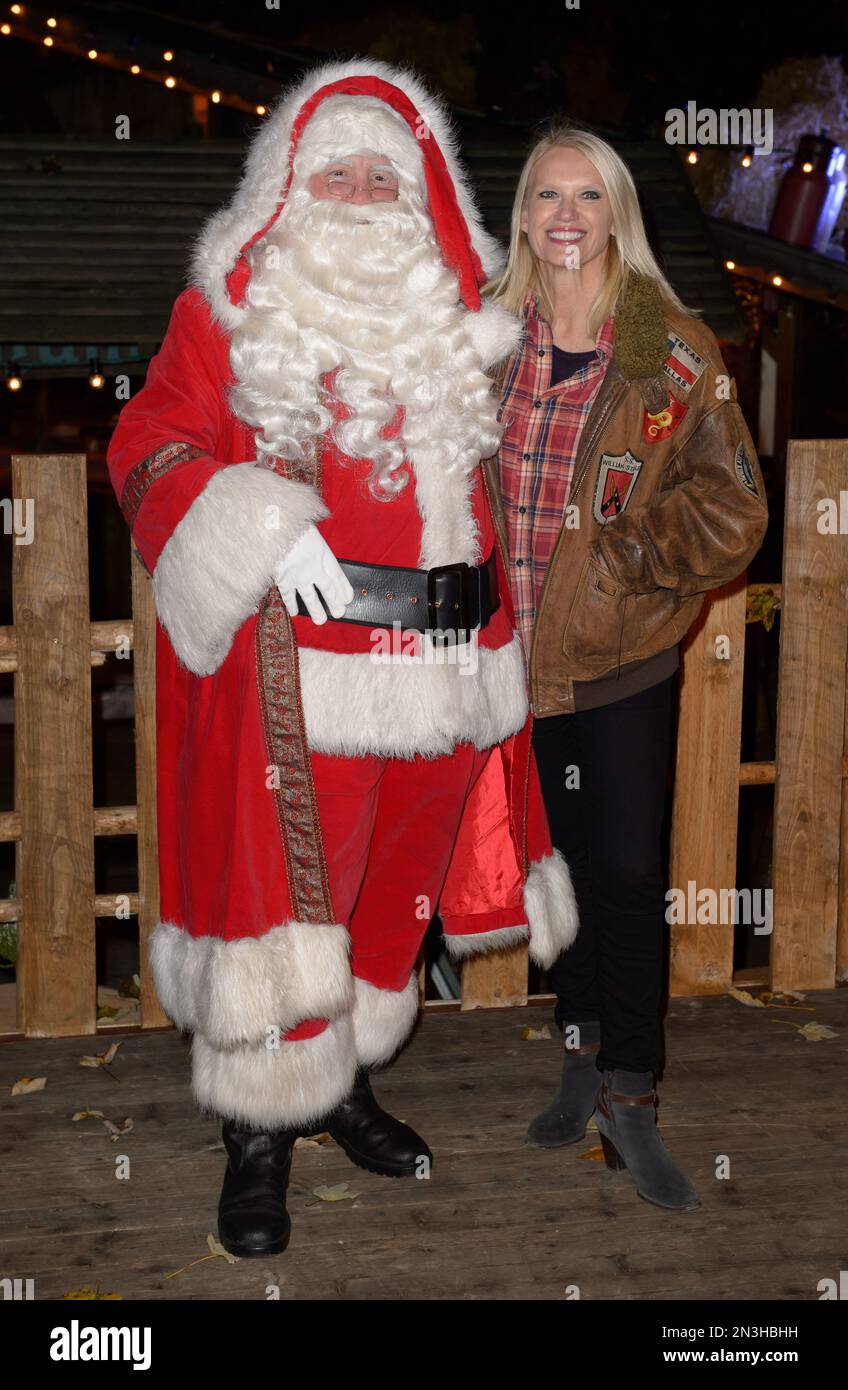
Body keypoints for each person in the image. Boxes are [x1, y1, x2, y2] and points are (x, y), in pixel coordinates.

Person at [106, 61, 579, 1258]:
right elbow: (147, 443)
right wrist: (258, 517)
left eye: (387, 173)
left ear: (422, 194)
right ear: (289, 191)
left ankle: (347, 1086)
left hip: (438, 671)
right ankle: (260, 1132)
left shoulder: (457, 326)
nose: (365, 194)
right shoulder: (224, 316)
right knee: (281, 904)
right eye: (339, 174)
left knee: (390, 897)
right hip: (293, 679)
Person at [482, 125, 768, 1211]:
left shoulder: (671, 349)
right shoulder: (483, 340)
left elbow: (736, 507)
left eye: (587, 197)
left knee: (627, 877)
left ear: (615, 215)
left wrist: (619, 560)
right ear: (523, 214)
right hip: (508, 663)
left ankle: (632, 1096)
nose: (565, 215)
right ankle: (578, 1053)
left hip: (620, 663)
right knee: (552, 880)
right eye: (546, 195)